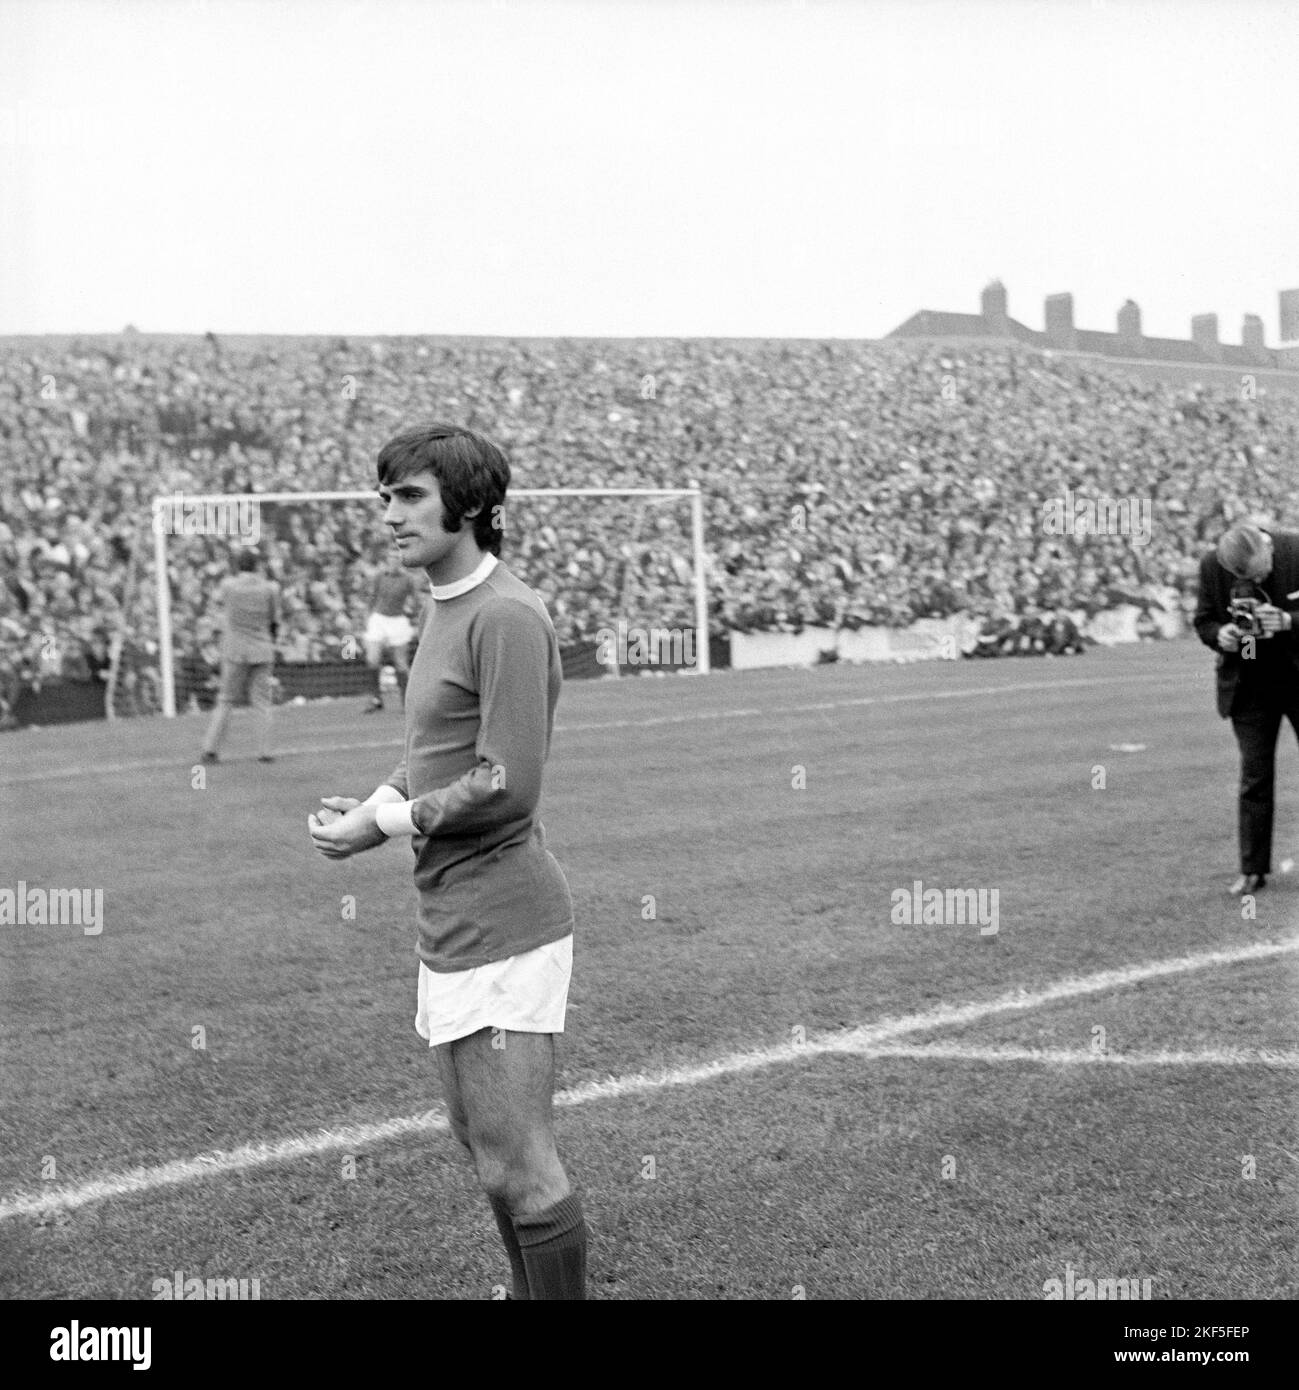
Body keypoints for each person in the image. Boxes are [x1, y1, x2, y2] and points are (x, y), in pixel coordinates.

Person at [308, 423, 586, 1300]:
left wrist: (385, 824)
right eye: (384, 495)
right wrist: (373, 802)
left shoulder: (504, 613)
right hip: (450, 918)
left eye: (409, 496)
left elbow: (506, 782)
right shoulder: (445, 604)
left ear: (469, 507)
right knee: (482, 1146)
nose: (387, 514)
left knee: (520, 1164)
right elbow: (435, 752)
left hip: (505, 918)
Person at [1193, 522, 1299, 896]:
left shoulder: (1295, 549)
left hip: (1297, 675)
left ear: (1268, 548)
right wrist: (1219, 636)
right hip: (1250, 682)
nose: (1259, 580)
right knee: (1254, 777)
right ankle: (1253, 870)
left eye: (1262, 573)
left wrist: (1289, 621)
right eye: (1249, 578)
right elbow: (1204, 619)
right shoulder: (1211, 565)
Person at [200, 549, 281, 764]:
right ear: (257, 566)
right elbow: (275, 621)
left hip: (235, 649)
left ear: (238, 566)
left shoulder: (229, 586)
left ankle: (211, 750)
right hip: (262, 648)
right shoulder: (270, 588)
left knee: (226, 700)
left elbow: (217, 601)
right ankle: (265, 752)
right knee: (262, 702)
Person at [362, 554, 421, 712]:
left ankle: (406, 701)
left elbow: (416, 600)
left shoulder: (408, 579)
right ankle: (375, 698)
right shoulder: (379, 577)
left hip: (397, 620)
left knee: (401, 664)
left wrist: (412, 614)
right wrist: (367, 618)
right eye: (391, 559)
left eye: (396, 559)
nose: (393, 562)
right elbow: (371, 597)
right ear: (387, 562)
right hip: (379, 618)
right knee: (372, 659)